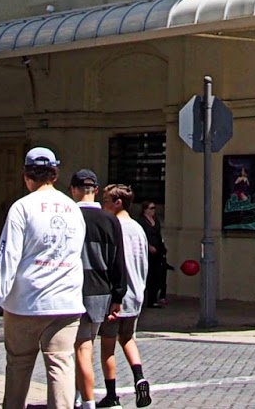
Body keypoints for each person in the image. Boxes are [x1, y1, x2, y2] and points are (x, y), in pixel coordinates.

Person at [0, 147, 87, 409]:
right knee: (61, 363)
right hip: (66, 302)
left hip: (26, 303)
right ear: (55, 174)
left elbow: (8, 256)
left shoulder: (22, 207)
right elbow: (77, 254)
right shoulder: (72, 209)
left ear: (27, 176)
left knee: (19, 363)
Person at [71, 168, 127, 409]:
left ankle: (87, 402)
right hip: (101, 291)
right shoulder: (110, 220)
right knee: (86, 344)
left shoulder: (70, 215)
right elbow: (118, 261)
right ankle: (76, 396)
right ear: (95, 190)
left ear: (74, 189)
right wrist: (118, 296)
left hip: (72, 289)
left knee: (80, 348)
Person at [99, 184, 153, 408]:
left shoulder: (113, 226)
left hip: (116, 297)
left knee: (107, 345)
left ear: (118, 202)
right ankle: (139, 377)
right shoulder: (138, 228)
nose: (103, 205)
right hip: (136, 293)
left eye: (106, 201)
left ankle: (111, 395)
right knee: (128, 338)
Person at [140, 201, 168, 308]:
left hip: (158, 250)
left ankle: (156, 298)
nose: (153, 210)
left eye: (154, 208)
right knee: (149, 276)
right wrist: (148, 246)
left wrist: (163, 247)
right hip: (148, 252)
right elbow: (142, 236)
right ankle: (148, 300)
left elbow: (158, 234)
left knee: (158, 275)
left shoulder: (156, 221)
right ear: (145, 210)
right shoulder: (141, 221)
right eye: (151, 208)